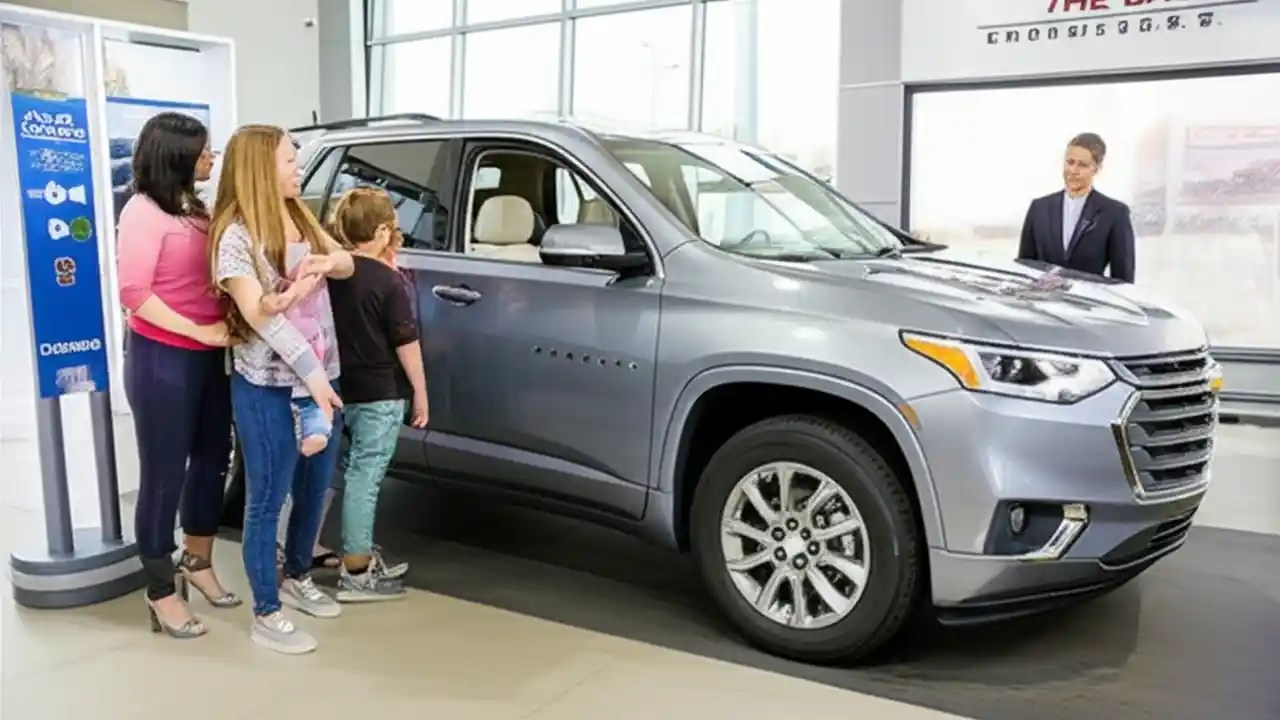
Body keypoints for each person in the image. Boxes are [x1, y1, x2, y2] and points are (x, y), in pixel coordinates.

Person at [209, 124, 355, 655]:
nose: (298, 169)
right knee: (267, 497)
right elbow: (259, 317)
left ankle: (297, 575)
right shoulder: (235, 237)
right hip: (267, 384)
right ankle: (266, 612)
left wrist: (324, 261)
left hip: (321, 374)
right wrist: (314, 378)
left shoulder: (299, 214)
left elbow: (346, 261)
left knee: (316, 485)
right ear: (260, 170)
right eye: (291, 162)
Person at [116, 112, 239, 638]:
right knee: (164, 473)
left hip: (209, 355)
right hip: (163, 355)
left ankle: (199, 559)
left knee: (213, 460)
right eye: (204, 150)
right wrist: (199, 330)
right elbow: (134, 294)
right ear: (177, 156)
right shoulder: (142, 211)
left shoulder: (197, 208)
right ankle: (161, 591)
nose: (211, 158)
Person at [325, 188, 429, 602]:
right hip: (381, 394)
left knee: (350, 475)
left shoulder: (334, 277)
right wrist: (420, 392)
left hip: (341, 389)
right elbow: (405, 341)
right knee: (365, 480)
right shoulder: (388, 281)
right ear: (383, 231)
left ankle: (357, 551)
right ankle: (357, 571)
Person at [1017, 132, 1136, 283]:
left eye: (1082, 165)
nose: (1073, 170)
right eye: (1070, 162)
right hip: (1043, 303)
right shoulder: (1039, 208)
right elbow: (1023, 269)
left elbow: (1123, 282)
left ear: (1097, 169)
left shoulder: (1115, 213)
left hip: (1087, 304)